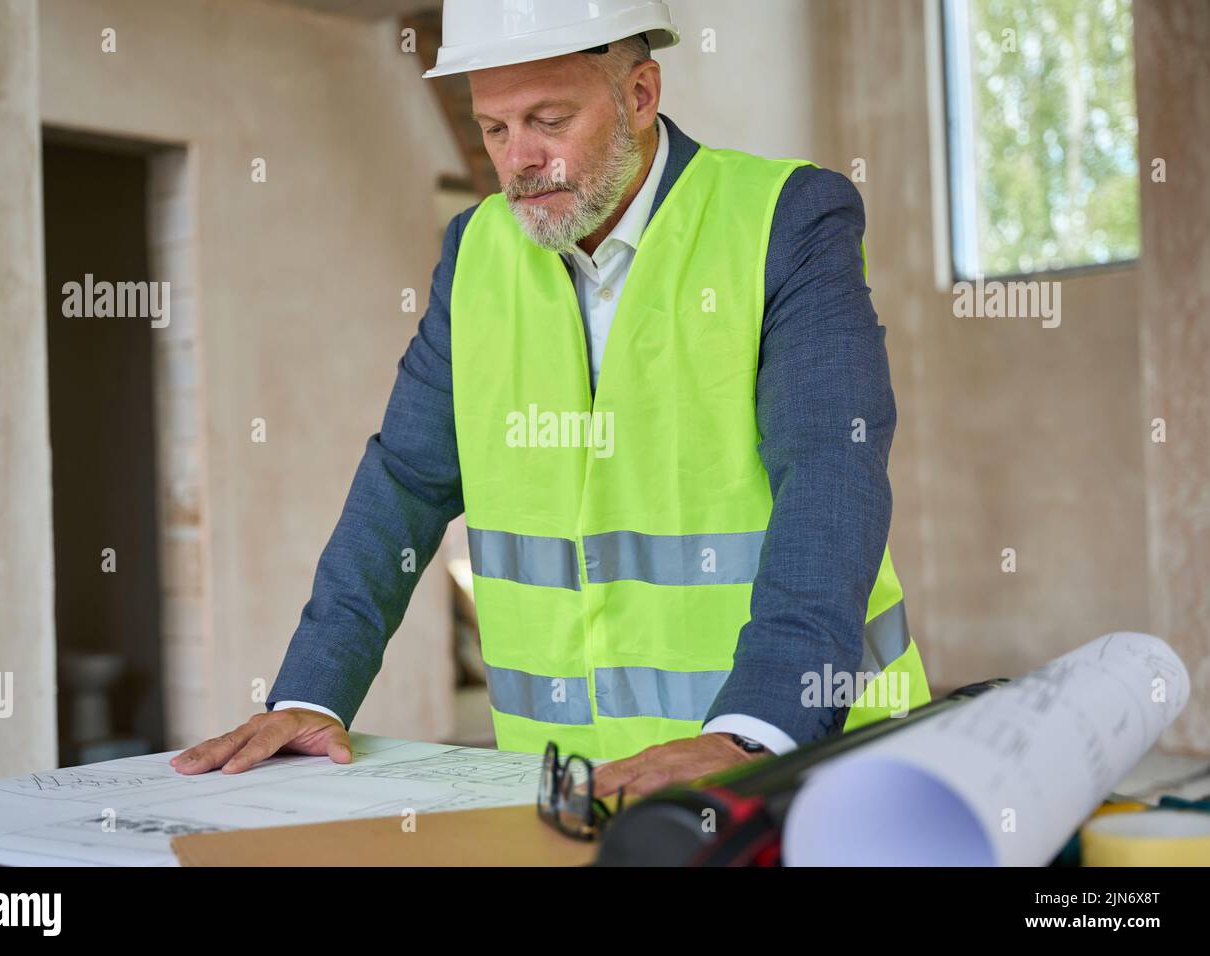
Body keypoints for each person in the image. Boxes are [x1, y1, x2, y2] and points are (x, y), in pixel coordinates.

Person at [173, 0, 930, 796]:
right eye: (495, 129)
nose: (518, 159)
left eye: (548, 119)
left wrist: (756, 732)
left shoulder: (786, 219)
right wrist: (312, 693)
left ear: (640, 95)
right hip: (566, 784)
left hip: (803, 768)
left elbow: (828, 473)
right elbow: (405, 481)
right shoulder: (476, 251)